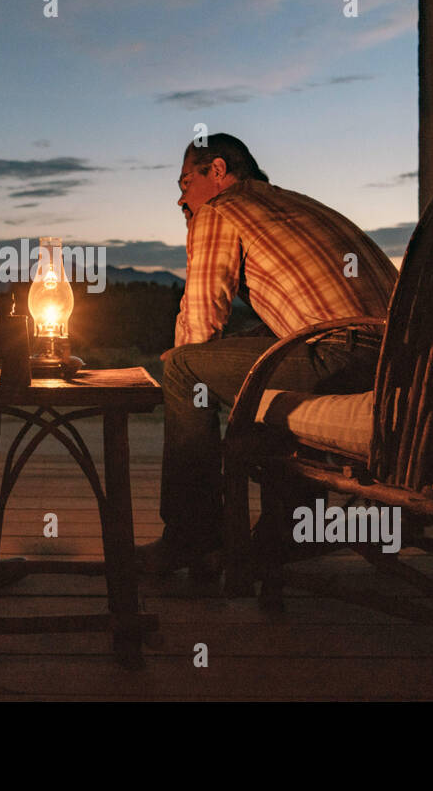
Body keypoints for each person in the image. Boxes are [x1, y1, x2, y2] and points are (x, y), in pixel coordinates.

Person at [137, 134, 399, 576]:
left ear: (217, 170)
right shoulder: (298, 205)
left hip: (346, 355)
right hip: (401, 361)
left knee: (184, 369)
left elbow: (200, 327)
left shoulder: (220, 210)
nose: (179, 197)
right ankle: (288, 528)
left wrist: (196, 226)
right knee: (258, 356)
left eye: (185, 183)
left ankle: (191, 537)